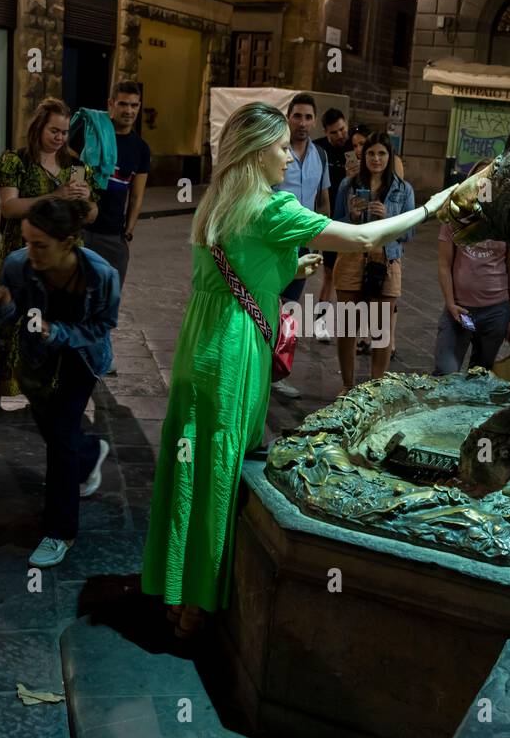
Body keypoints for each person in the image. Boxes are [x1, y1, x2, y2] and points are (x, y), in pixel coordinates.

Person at [141, 102, 456, 638]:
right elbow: (361, 239)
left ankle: (176, 590)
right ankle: (196, 605)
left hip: (201, 345)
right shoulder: (270, 208)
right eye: (282, 146)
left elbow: (238, 268)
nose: (290, 156)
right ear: (257, 150)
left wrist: (292, 265)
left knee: (189, 465)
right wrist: (434, 207)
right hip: (236, 349)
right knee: (217, 470)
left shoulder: (217, 203)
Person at [0, 197, 118, 568]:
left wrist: (56, 331)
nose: (31, 252)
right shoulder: (17, 265)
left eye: (40, 244)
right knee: (56, 433)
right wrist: (1, 304)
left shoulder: (101, 274)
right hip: (35, 361)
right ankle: (91, 452)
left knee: (60, 440)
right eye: (27, 241)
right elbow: (7, 317)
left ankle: (59, 532)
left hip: (80, 359)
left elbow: (101, 327)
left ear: (69, 242)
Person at [0, 98, 99, 418]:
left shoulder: (76, 167)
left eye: (64, 132)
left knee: (51, 324)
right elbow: (9, 208)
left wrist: (85, 201)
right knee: (9, 318)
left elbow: (92, 215)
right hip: (22, 255)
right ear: (39, 127)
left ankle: (43, 391)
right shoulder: (16, 161)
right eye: (53, 130)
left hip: (62, 264)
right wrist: (54, 197)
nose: (59, 137)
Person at [330, 132, 416, 391]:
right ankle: (347, 386)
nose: (376, 159)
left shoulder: (403, 189)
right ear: (363, 155)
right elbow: (335, 225)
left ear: (390, 157)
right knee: (347, 330)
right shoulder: (349, 185)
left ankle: (375, 388)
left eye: (381, 154)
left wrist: (388, 217)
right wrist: (354, 217)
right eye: (371, 153)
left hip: (386, 263)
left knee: (381, 333)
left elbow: (410, 233)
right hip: (351, 260)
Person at [433, 162, 510, 374]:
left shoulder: (506, 220)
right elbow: (444, 264)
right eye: (479, 179)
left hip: (496, 311)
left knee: (481, 377)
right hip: (459, 310)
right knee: (444, 373)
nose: (484, 185)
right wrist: (450, 303)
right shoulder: (455, 216)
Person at [270, 93, 329, 398]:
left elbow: (322, 199)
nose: (303, 123)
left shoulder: (319, 155)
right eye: (297, 116)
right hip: (277, 244)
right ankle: (255, 366)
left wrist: (324, 237)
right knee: (267, 303)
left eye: (308, 117)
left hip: (304, 246)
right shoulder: (275, 151)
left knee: (289, 311)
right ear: (287, 118)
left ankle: (277, 373)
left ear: (314, 121)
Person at [82, 80, 150, 287]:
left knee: (107, 304)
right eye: (123, 104)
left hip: (112, 236)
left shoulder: (141, 149)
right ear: (111, 104)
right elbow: (74, 174)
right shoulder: (92, 135)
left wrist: (127, 232)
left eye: (134, 105)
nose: (129, 110)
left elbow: (137, 196)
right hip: (81, 231)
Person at [312, 108, 354, 341]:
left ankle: (360, 332)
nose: (341, 135)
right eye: (335, 132)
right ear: (326, 132)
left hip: (352, 219)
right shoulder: (318, 150)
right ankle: (320, 323)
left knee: (351, 277)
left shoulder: (355, 148)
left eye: (342, 129)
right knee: (329, 274)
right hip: (330, 219)